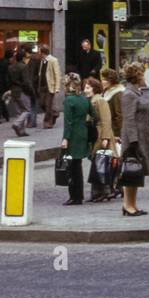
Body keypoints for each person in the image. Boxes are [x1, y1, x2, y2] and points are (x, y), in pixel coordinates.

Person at [118, 63, 149, 217]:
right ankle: (127, 205)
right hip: (134, 139)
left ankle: (132, 204)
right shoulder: (128, 94)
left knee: (136, 172)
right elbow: (129, 120)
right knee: (131, 171)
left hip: (141, 138)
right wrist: (133, 142)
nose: (144, 77)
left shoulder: (136, 93)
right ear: (137, 76)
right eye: (142, 74)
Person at [60, 72, 90, 206]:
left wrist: (65, 139)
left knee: (72, 168)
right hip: (83, 134)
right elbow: (93, 114)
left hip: (72, 136)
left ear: (68, 85)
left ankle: (74, 196)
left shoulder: (68, 100)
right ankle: (80, 195)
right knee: (78, 166)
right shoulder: (84, 98)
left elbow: (68, 122)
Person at [85, 77, 115, 203]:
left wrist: (106, 138)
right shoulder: (91, 100)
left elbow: (106, 119)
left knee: (101, 163)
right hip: (95, 135)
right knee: (97, 163)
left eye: (88, 87)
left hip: (101, 135)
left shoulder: (99, 100)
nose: (85, 90)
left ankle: (105, 191)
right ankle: (97, 192)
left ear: (94, 88)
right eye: (85, 87)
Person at [7, 48, 33, 137]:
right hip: (22, 91)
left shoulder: (10, 67)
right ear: (23, 58)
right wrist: (30, 91)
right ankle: (17, 124)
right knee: (27, 110)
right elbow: (26, 82)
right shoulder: (24, 67)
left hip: (14, 91)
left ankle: (21, 131)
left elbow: (8, 80)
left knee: (19, 111)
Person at [38, 44, 61, 128]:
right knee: (41, 104)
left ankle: (47, 122)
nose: (38, 52)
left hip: (50, 86)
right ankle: (54, 113)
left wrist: (57, 87)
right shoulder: (42, 60)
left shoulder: (53, 60)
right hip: (42, 86)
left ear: (42, 52)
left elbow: (57, 74)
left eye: (39, 51)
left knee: (48, 104)